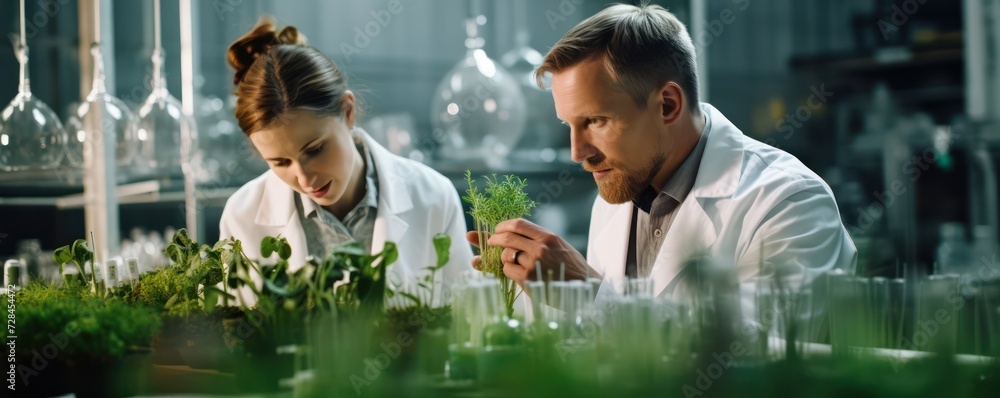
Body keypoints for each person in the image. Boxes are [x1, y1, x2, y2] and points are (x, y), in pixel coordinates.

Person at [467, 4, 856, 303]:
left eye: (596, 121)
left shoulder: (788, 201)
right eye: (569, 125)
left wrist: (585, 293)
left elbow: (760, 362)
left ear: (668, 105)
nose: (577, 153)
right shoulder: (617, 193)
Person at [219, 18, 472, 306]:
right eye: (280, 162)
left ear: (347, 110)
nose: (305, 179)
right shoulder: (242, 214)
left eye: (315, 150)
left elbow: (466, 319)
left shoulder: (433, 195)